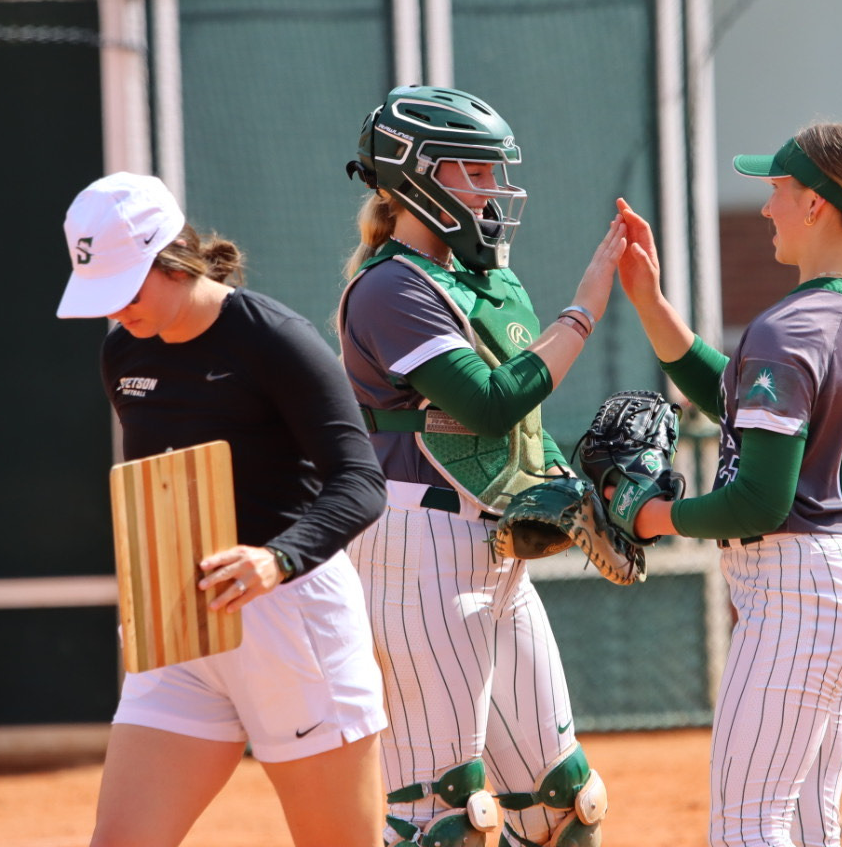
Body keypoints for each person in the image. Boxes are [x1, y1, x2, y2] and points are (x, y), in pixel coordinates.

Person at [610, 122, 842, 847]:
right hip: (839, 582)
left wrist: (651, 516)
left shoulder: (790, 326)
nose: (765, 206)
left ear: (816, 204)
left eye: (777, 189)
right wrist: (652, 306)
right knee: (809, 822)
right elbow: (736, 388)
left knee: (747, 823)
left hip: (801, 592)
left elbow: (758, 500)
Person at [56, 171, 388, 847]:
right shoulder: (122, 352)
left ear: (173, 259)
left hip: (293, 618)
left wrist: (276, 559)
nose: (116, 311)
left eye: (125, 288)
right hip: (180, 628)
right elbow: (159, 486)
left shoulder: (273, 340)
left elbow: (360, 481)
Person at [337, 85, 626, 847]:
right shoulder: (391, 287)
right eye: (473, 171)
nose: (493, 189)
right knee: (449, 820)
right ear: (416, 178)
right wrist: (584, 310)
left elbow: (519, 428)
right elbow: (491, 403)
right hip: (415, 549)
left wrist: (574, 486)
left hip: (491, 548)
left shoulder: (485, 280)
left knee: (565, 805)